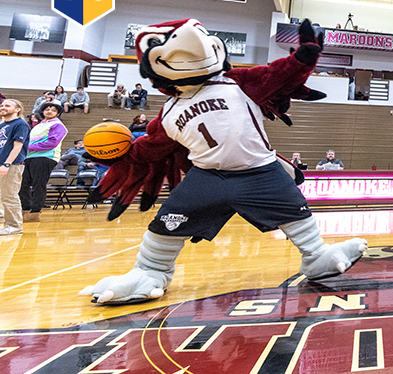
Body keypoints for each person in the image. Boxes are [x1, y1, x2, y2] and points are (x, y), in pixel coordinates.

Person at [79, 18, 365, 305]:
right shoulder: (167, 113)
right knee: (165, 224)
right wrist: (121, 153)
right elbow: (151, 148)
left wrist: (302, 59)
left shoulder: (237, 82)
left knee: (296, 214)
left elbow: (276, 76)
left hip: (260, 171)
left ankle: (316, 257)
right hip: (207, 177)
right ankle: (150, 271)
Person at [19, 101, 67, 222]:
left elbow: (51, 143)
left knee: (38, 185)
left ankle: (35, 212)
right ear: (42, 111)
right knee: (23, 185)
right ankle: (25, 209)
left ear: (58, 113)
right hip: (29, 157)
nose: (49, 111)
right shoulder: (38, 125)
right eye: (47, 109)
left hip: (45, 157)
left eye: (53, 110)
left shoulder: (58, 125)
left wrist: (28, 147)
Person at [0, 99, 29, 236]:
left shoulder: (20, 124)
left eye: (7, 105)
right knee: (3, 196)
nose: (3, 107)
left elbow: (18, 147)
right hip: (2, 164)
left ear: (17, 109)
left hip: (12, 165)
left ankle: (14, 226)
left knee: (10, 195)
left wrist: (6, 164)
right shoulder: (3, 125)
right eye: (2, 105)